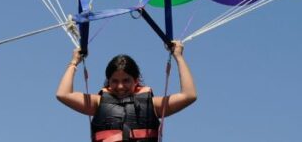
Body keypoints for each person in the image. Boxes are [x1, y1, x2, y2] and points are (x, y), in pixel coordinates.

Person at [55, 41, 196, 142]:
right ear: (108, 81)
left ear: (136, 80)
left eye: (126, 80)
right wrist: (74, 62)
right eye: (115, 81)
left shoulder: (153, 105)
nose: (120, 86)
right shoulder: (98, 103)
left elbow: (189, 95)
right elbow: (63, 94)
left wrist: (179, 57)